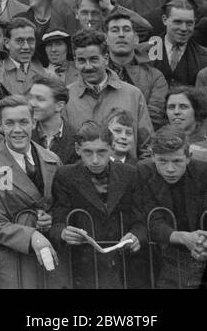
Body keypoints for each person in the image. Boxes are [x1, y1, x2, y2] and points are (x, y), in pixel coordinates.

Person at [0, 95, 64, 289]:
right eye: (9, 123)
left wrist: (52, 218)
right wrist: (32, 236)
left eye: (24, 122)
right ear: (0, 125)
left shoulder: (52, 160)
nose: (17, 130)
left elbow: (63, 205)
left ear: (33, 123)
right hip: (15, 259)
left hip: (52, 253)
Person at [48, 121, 145, 289]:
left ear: (112, 147)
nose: (95, 160)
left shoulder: (129, 174)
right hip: (84, 267)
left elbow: (140, 221)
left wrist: (136, 236)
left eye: (101, 152)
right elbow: (57, 220)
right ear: (78, 149)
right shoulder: (65, 176)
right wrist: (63, 232)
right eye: (88, 152)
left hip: (123, 264)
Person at [137, 126, 207, 289]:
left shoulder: (203, 172)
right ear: (153, 157)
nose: (170, 169)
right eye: (162, 161)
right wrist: (183, 238)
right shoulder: (143, 171)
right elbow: (150, 219)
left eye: (177, 161)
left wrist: (202, 242)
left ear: (188, 157)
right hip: (162, 254)